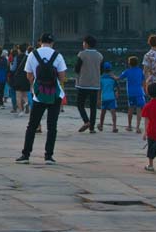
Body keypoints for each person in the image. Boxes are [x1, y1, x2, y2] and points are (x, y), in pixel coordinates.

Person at [16, 34, 67, 165]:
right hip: (55, 95)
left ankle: (25, 155)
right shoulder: (58, 56)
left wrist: (37, 85)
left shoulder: (33, 55)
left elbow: (28, 75)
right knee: (52, 126)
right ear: (52, 43)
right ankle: (48, 156)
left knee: (32, 125)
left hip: (39, 95)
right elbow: (62, 77)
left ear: (40, 42)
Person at [75, 35, 104, 133]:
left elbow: (76, 69)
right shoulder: (100, 55)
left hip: (83, 83)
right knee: (93, 107)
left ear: (86, 44)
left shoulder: (82, 54)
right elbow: (102, 70)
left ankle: (86, 121)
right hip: (95, 84)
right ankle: (92, 128)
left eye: (83, 43)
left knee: (80, 104)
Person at [120, 56, 145, 132]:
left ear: (129, 63)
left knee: (130, 108)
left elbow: (119, 78)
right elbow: (143, 82)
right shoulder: (140, 71)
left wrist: (111, 76)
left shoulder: (127, 71)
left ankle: (130, 126)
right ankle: (137, 127)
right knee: (138, 110)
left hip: (131, 93)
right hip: (139, 92)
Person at [98, 62, 119, 132]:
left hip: (104, 97)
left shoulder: (101, 78)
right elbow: (116, 88)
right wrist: (117, 93)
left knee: (103, 113)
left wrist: (98, 99)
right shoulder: (113, 78)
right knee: (113, 113)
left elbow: (99, 90)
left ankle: (101, 125)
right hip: (112, 97)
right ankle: (114, 127)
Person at [10, 45, 30, 116]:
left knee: (18, 96)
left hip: (18, 78)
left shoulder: (16, 58)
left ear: (19, 50)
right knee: (25, 94)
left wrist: (10, 65)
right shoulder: (28, 58)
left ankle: (21, 111)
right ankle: (26, 103)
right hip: (25, 78)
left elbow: (13, 68)